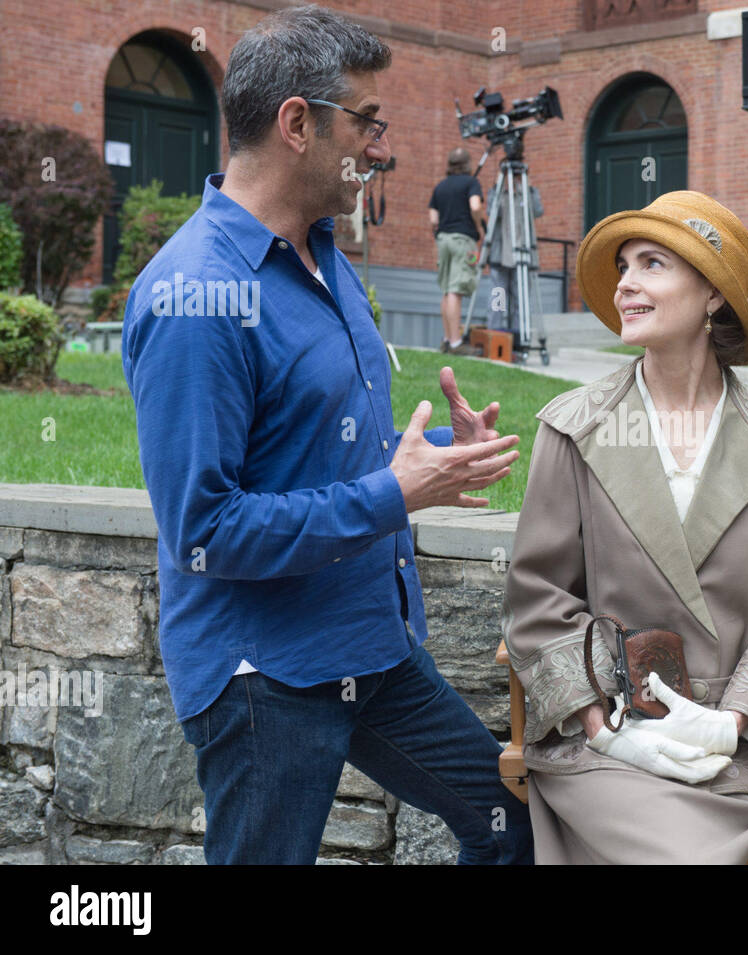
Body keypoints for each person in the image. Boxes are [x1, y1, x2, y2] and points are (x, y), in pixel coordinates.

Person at [120, 4, 532, 865]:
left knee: (508, 817)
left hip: (371, 646)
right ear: (298, 124)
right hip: (265, 676)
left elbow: (311, 452)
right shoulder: (194, 296)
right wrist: (393, 493)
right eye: (368, 121)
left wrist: (422, 466)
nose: (382, 146)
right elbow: (204, 531)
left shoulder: (322, 250)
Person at [503, 191, 748, 864]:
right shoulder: (573, 426)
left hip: (735, 756)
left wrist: (731, 724)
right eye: (625, 266)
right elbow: (537, 596)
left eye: (653, 264)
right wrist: (604, 727)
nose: (626, 282)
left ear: (714, 295)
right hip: (604, 748)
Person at [429, 146, 485, 353]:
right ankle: (455, 343)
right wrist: (479, 227)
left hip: (442, 239)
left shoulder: (440, 187)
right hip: (464, 240)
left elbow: (433, 218)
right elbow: (476, 206)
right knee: (456, 290)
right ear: (468, 164)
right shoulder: (472, 183)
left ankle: (446, 339)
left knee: (446, 290)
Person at [484, 180, 544, 335]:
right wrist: (499, 188)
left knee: (521, 300)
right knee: (498, 300)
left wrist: (528, 188)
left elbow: (538, 211)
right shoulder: (496, 191)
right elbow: (491, 212)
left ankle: (519, 337)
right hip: (500, 257)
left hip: (523, 257)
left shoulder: (527, 191)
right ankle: (495, 334)